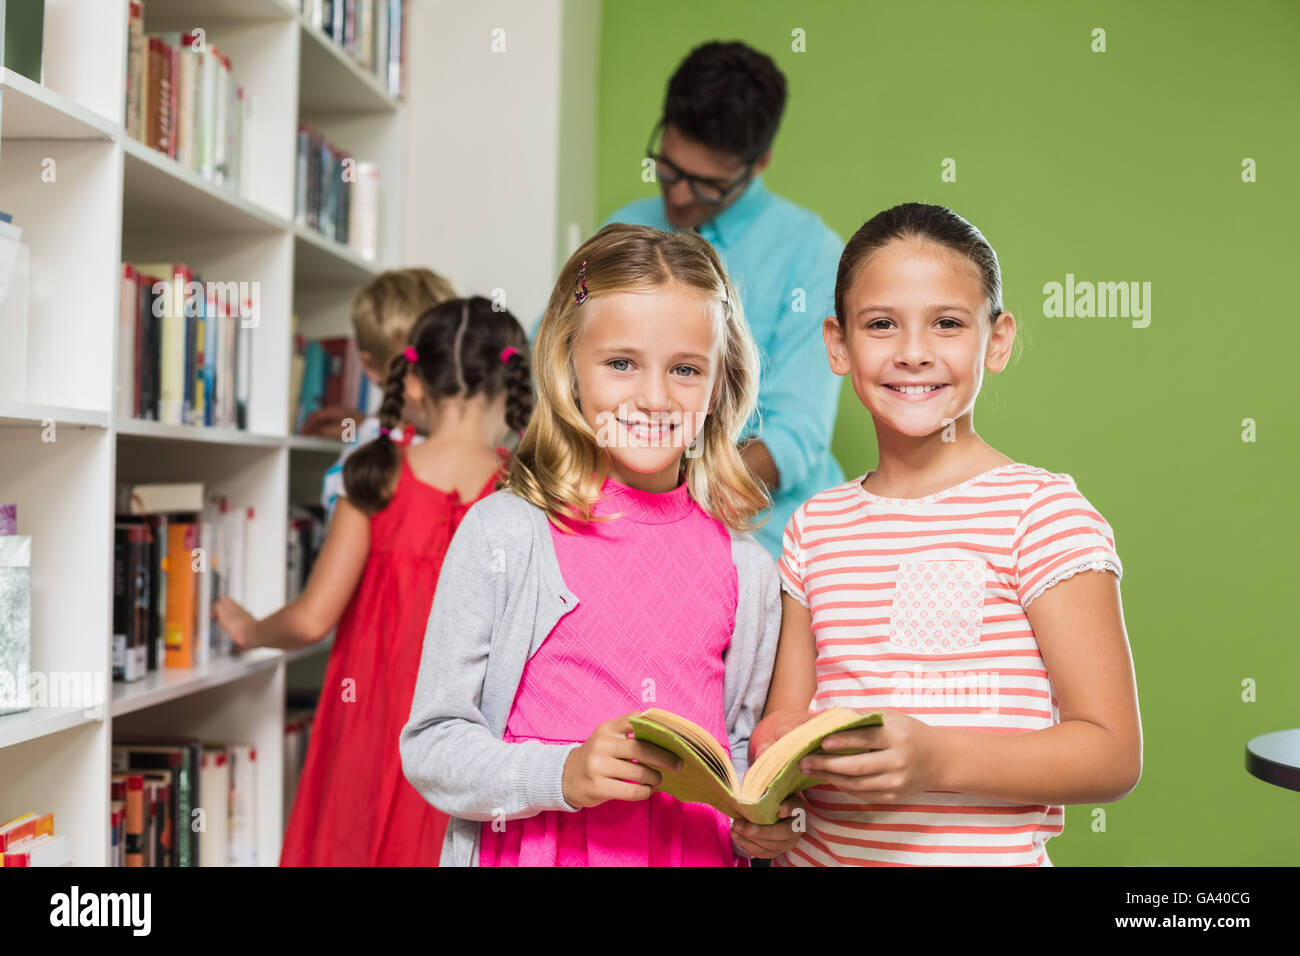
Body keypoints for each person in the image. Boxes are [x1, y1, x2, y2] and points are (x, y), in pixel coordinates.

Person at [754, 202, 1142, 866]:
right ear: (838, 345)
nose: (912, 353)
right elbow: (784, 728)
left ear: (996, 338)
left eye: (947, 323)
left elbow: (1110, 752)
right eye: (880, 325)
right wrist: (771, 811)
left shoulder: (1042, 514)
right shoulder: (814, 527)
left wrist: (935, 757)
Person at [400, 224, 798, 866]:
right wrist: (564, 773)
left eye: (686, 370)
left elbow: (742, 757)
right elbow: (433, 745)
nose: (654, 397)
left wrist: (763, 822)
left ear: (720, 385)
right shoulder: (507, 533)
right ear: (568, 367)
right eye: (621, 363)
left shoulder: (746, 571)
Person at [214, 297, 532, 865]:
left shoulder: (377, 474)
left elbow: (313, 619)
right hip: (475, 736)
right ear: (510, 382)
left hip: (373, 721)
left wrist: (250, 628)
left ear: (413, 380)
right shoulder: (522, 491)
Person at [602, 40, 845, 561]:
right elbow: (549, 364)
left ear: (760, 163)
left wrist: (672, 500)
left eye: (708, 185)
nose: (682, 195)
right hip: (620, 520)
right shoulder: (618, 232)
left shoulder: (814, 256)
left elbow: (794, 438)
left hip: (764, 540)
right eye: (668, 169)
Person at [302, 267, 457, 521]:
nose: (435, 383)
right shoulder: (362, 466)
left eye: (444, 362)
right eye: (417, 370)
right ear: (372, 367)